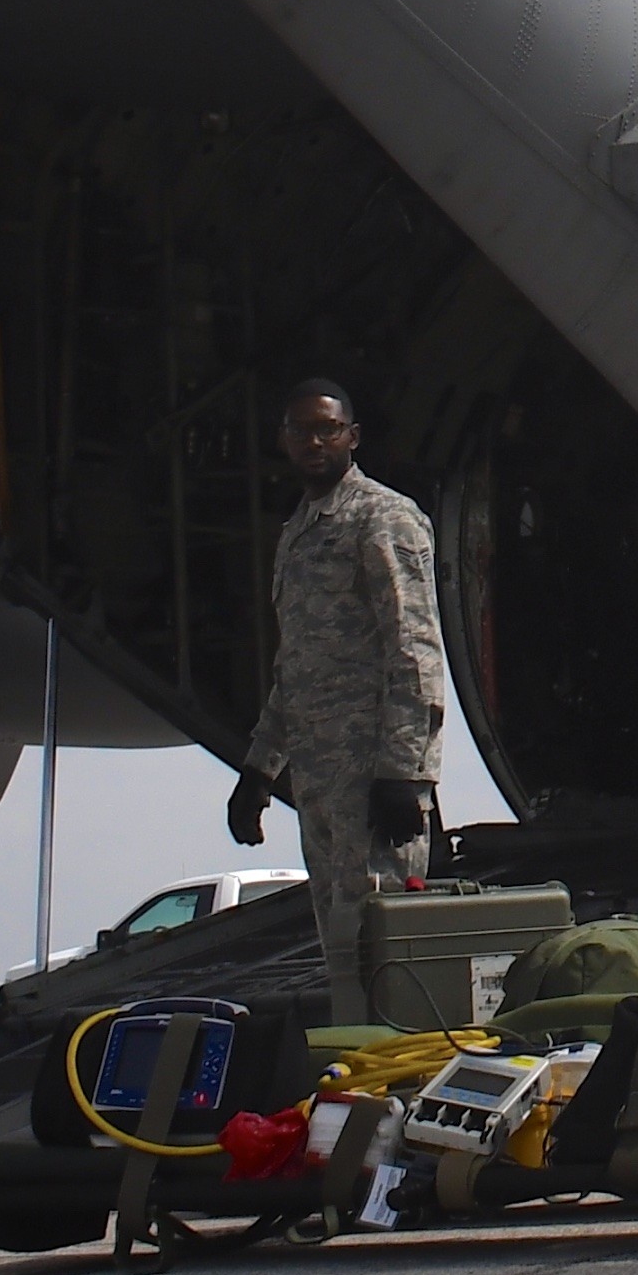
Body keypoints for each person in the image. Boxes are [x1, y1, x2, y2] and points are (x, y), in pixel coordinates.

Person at [224, 380, 447, 1018]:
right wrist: (259, 769)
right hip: (321, 784)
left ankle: (401, 1080)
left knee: (389, 951)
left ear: (352, 436)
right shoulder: (299, 531)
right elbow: (295, 668)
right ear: (284, 441)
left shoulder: (384, 517)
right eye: (300, 431)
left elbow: (415, 649)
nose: (314, 442)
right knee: (342, 954)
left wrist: (407, 771)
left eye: (328, 430)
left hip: (374, 782)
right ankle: (359, 1078)